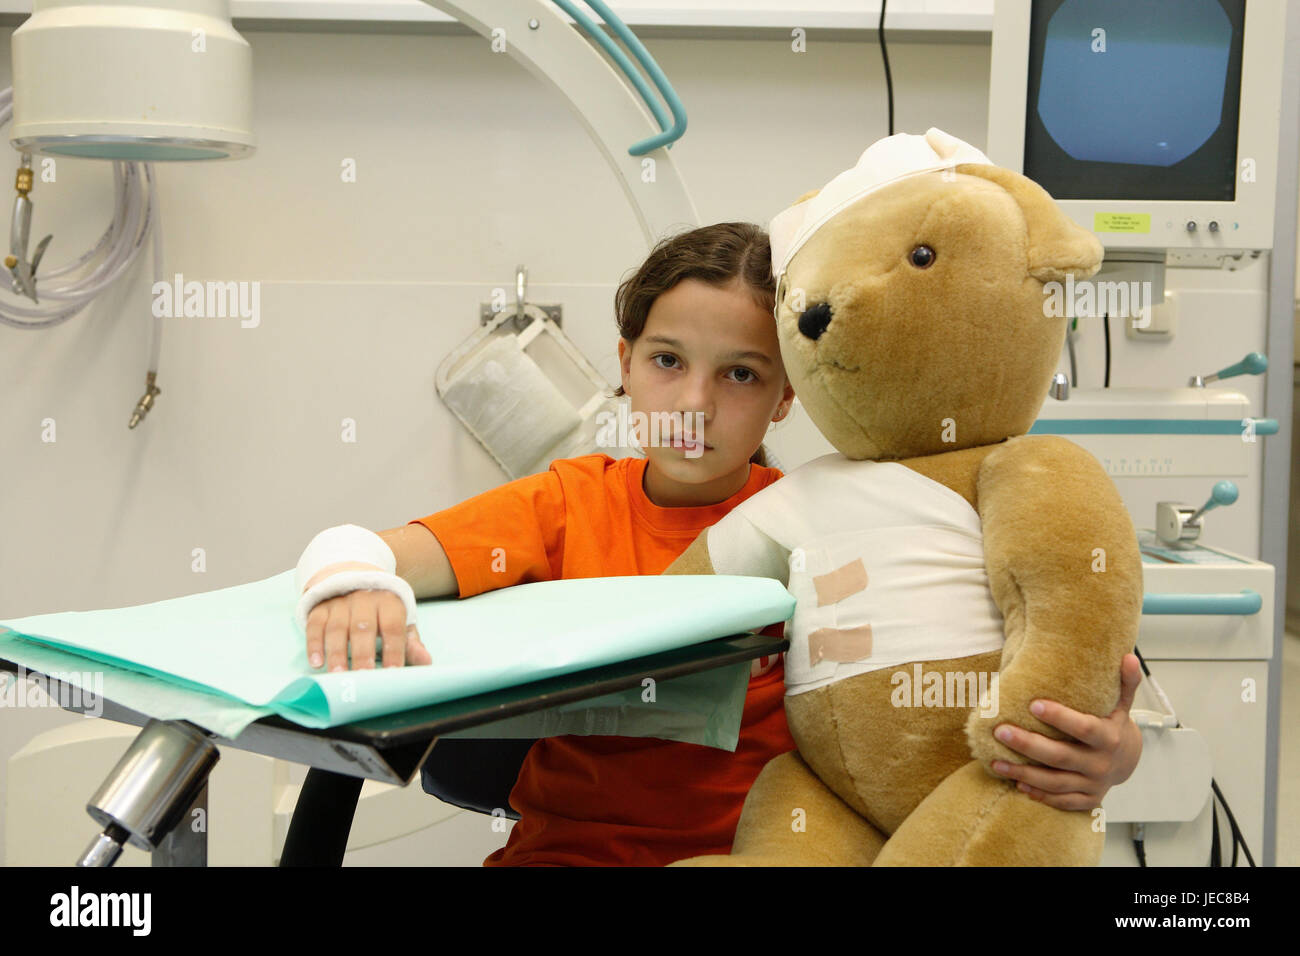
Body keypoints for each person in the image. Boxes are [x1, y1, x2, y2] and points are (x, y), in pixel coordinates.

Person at [296, 222, 1144, 866]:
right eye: (668, 360)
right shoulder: (566, 504)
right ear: (624, 364)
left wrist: (1110, 754)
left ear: (784, 398)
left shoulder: (839, 522)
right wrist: (354, 582)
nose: (695, 402)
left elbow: (991, 684)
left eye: (740, 373)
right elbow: (361, 547)